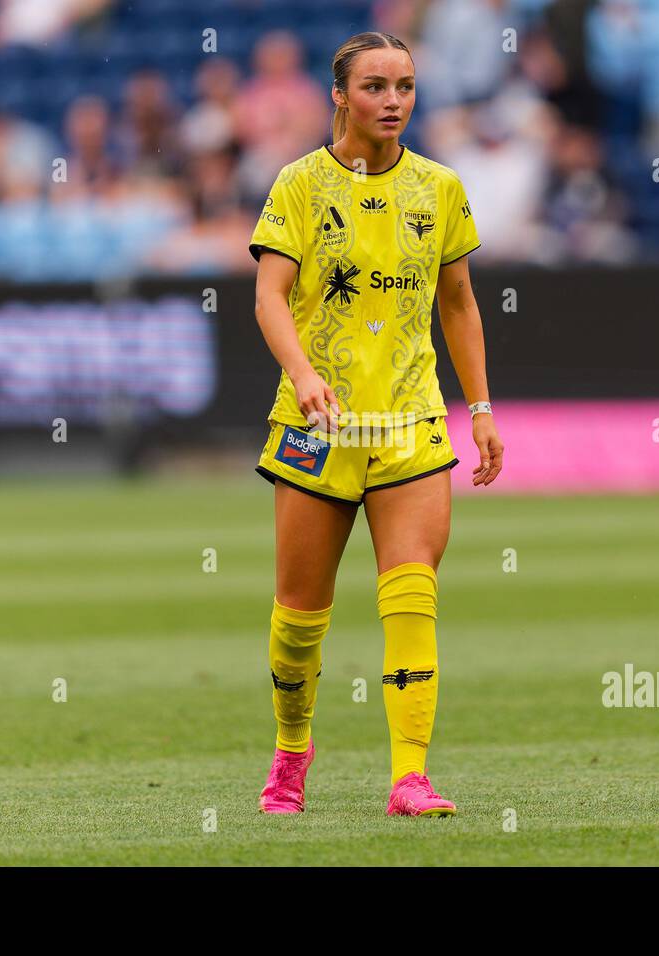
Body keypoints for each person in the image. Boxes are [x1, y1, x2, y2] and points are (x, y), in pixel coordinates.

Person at [248, 31, 504, 817]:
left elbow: (457, 302)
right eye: (375, 87)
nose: (393, 101)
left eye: (405, 86)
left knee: (413, 591)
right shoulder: (298, 184)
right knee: (298, 619)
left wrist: (482, 408)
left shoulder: (440, 188)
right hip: (319, 425)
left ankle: (410, 775)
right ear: (340, 96)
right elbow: (268, 295)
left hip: (410, 422)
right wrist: (303, 373)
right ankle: (292, 753)